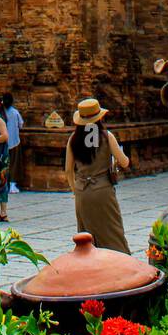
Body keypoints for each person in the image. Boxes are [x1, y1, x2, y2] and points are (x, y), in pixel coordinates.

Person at [64, 97, 130, 254]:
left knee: (87, 238)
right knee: (112, 233)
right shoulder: (107, 136)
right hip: (102, 191)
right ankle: (120, 266)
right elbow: (125, 162)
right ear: (99, 117)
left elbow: (68, 170)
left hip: (82, 191)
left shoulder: (73, 139)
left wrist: (75, 190)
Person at [3, 92, 25, 194]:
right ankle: (12, 184)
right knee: (14, 164)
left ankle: (4, 184)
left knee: (4, 163)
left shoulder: (0, 113)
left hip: (3, 141)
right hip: (15, 141)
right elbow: (21, 124)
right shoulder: (15, 112)